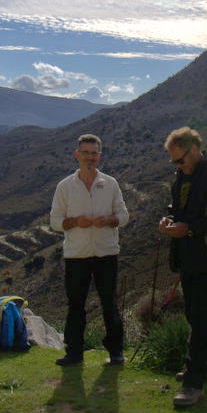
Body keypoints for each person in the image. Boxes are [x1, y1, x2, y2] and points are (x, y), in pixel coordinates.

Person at [159, 126, 207, 407]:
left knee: (201, 319)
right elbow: (180, 209)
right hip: (188, 258)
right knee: (195, 315)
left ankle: (193, 383)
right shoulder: (182, 177)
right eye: (174, 162)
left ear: (194, 151)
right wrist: (168, 221)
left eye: (181, 160)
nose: (178, 166)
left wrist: (189, 229)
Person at [50, 134, 129, 366]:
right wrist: (75, 222)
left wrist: (110, 220)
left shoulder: (111, 184)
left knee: (109, 303)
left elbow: (124, 216)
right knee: (76, 305)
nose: (90, 158)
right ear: (77, 155)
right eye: (85, 153)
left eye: (94, 153)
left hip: (106, 253)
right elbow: (55, 221)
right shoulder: (65, 186)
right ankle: (74, 352)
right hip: (77, 255)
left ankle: (116, 352)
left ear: (99, 156)